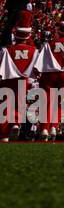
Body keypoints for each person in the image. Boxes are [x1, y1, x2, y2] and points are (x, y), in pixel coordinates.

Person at [33, 1, 64, 140]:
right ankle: (53, 126)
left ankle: (44, 129)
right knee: (61, 101)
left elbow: (39, 64)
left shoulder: (51, 43)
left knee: (46, 101)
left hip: (50, 74)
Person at [0, 10, 38, 142]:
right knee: (18, 105)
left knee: (4, 108)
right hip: (23, 83)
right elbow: (36, 70)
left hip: (7, 82)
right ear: (28, 35)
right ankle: (16, 123)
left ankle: (4, 135)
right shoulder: (34, 51)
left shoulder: (6, 50)